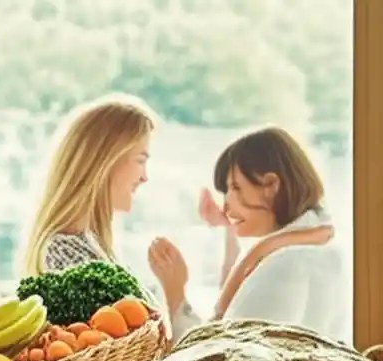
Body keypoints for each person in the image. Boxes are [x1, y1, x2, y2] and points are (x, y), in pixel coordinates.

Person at [148, 127, 346, 343]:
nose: (226, 205)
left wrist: (175, 293)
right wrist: (229, 231)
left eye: (235, 187)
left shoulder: (282, 265)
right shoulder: (320, 245)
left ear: (271, 185)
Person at [21, 93, 157, 277]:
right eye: (141, 160)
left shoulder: (89, 247)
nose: (144, 177)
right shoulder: (65, 253)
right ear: (104, 162)